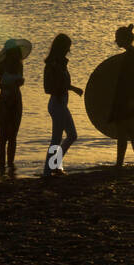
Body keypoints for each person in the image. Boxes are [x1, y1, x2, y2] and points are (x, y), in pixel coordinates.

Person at [42, 33, 82, 178]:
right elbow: (47, 88)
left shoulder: (60, 64)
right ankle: (48, 170)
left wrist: (73, 88)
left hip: (61, 102)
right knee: (58, 138)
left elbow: (63, 83)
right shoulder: (51, 65)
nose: (68, 50)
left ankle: (54, 166)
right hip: (57, 103)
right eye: (67, 47)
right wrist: (61, 91)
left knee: (71, 135)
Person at [0, 39, 30, 173]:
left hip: (17, 101)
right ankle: (1, 166)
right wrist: (5, 86)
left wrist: (20, 82)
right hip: (4, 102)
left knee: (13, 136)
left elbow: (20, 81)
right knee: (3, 136)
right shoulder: (1, 66)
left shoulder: (19, 66)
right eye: (15, 52)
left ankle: (10, 165)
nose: (17, 55)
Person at [110, 23, 134, 170]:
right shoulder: (132, 54)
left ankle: (128, 163)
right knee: (127, 131)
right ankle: (132, 162)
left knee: (127, 131)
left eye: (117, 38)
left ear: (124, 39)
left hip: (128, 99)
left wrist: (131, 100)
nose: (115, 41)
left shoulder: (132, 56)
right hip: (128, 98)